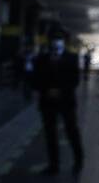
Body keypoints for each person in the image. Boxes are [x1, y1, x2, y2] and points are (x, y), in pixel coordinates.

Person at [30, 26, 84, 173]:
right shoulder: (40, 59)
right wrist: (47, 90)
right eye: (53, 38)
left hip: (66, 101)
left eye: (58, 39)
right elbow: (34, 80)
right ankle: (54, 165)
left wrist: (60, 91)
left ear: (64, 41)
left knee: (71, 130)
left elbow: (75, 80)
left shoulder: (72, 58)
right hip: (47, 102)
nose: (56, 42)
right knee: (50, 134)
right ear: (48, 41)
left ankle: (79, 160)